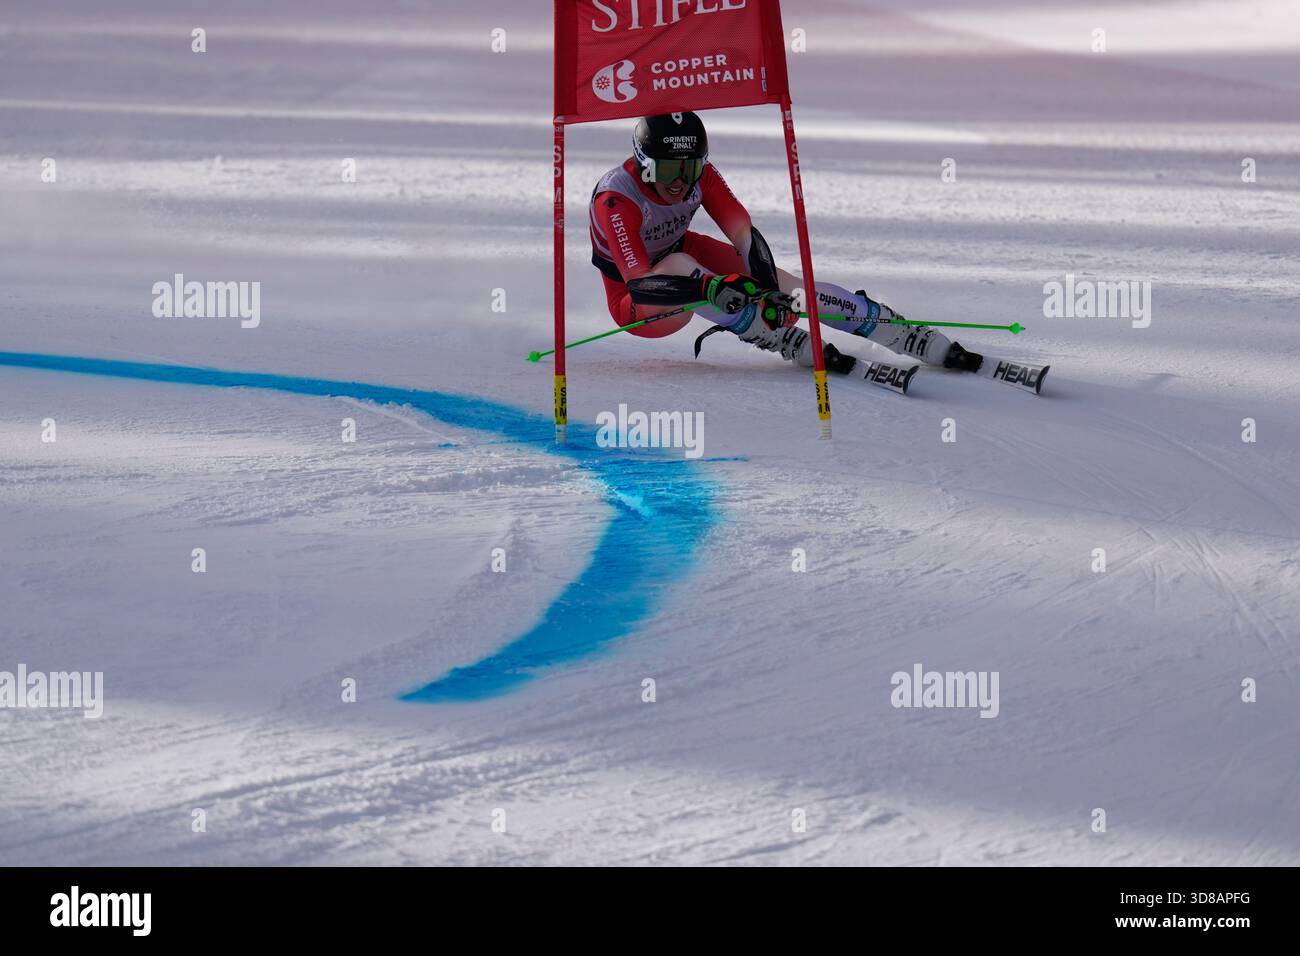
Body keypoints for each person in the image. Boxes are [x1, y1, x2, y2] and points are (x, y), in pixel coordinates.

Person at [587, 110, 984, 374]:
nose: (680, 182)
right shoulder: (617, 200)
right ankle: (772, 332)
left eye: (689, 168)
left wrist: (765, 285)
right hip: (638, 301)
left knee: (786, 286)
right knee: (682, 270)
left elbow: (744, 234)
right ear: (644, 164)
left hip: (685, 255)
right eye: (669, 169)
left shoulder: (701, 177)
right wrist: (711, 287)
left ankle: (894, 329)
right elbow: (640, 281)